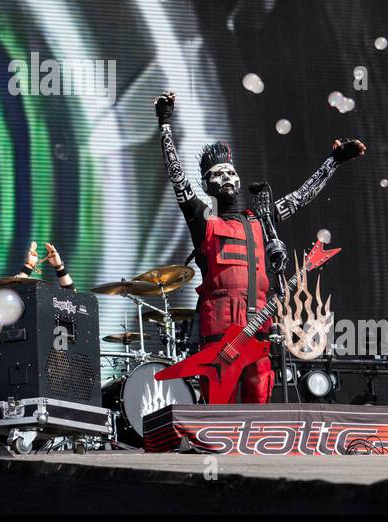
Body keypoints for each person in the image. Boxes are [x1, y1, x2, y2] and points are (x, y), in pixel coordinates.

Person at [154, 89, 364, 403]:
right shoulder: (203, 219)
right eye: (217, 174)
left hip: (258, 324)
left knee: (258, 402)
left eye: (230, 171)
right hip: (219, 327)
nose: (226, 176)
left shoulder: (259, 218)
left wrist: (333, 161)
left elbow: (301, 196)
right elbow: (177, 178)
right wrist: (165, 124)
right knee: (219, 405)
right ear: (206, 184)